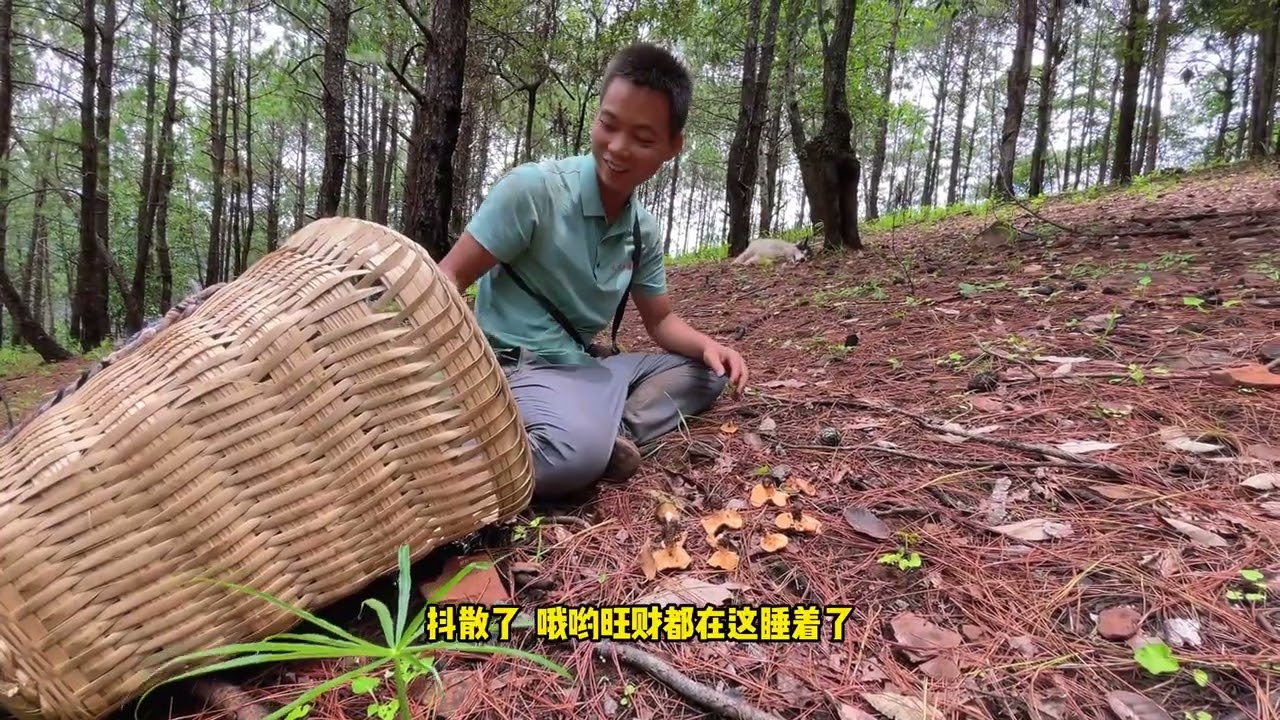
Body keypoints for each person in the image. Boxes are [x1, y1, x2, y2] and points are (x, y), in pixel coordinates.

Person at [438, 42, 749, 502]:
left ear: (672, 147)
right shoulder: (534, 192)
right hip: (516, 366)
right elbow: (448, 279)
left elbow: (660, 321)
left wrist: (711, 346)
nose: (618, 149)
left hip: (582, 364)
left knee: (706, 374)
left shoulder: (642, 229)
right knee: (572, 457)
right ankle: (565, 443)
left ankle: (608, 429)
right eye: (608, 124)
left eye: (643, 139)